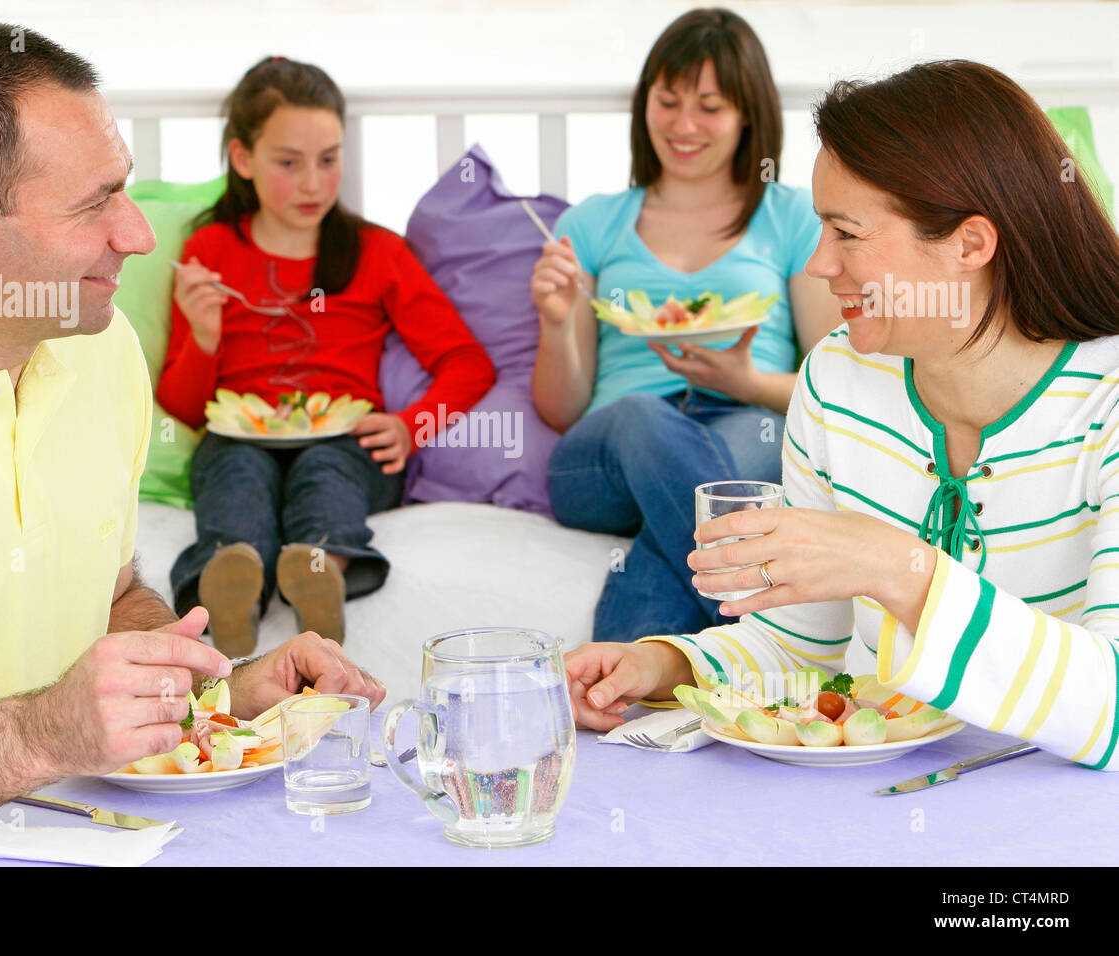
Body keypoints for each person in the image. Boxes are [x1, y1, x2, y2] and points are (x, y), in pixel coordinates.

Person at [0, 24, 385, 857]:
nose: (140, 234)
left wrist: (215, 695)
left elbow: (109, 593)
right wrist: (37, 738)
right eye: (96, 204)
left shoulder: (99, 345)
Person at [564, 59, 1119, 771]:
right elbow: (800, 644)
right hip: (871, 799)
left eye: (846, 233)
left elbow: (1110, 702)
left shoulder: (1104, 404)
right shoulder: (837, 377)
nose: (821, 264)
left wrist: (900, 568)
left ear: (969, 245)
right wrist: (663, 666)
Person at [158, 57, 494, 655]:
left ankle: (323, 572)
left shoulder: (377, 251)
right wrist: (205, 337)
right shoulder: (209, 249)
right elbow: (183, 408)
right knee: (234, 474)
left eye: (329, 159)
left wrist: (411, 426)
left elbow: (468, 362)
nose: (313, 183)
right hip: (240, 434)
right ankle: (233, 581)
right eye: (288, 163)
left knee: (326, 473)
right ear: (243, 159)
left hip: (345, 437)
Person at [531, 8, 841, 643]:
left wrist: (750, 383)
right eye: (667, 101)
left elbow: (832, 383)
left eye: (710, 106)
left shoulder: (793, 218)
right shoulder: (593, 223)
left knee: (721, 484)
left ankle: (628, 683)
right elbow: (563, 411)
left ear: (748, 113)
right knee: (652, 422)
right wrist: (557, 322)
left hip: (743, 420)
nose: (683, 125)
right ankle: (773, 635)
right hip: (611, 449)